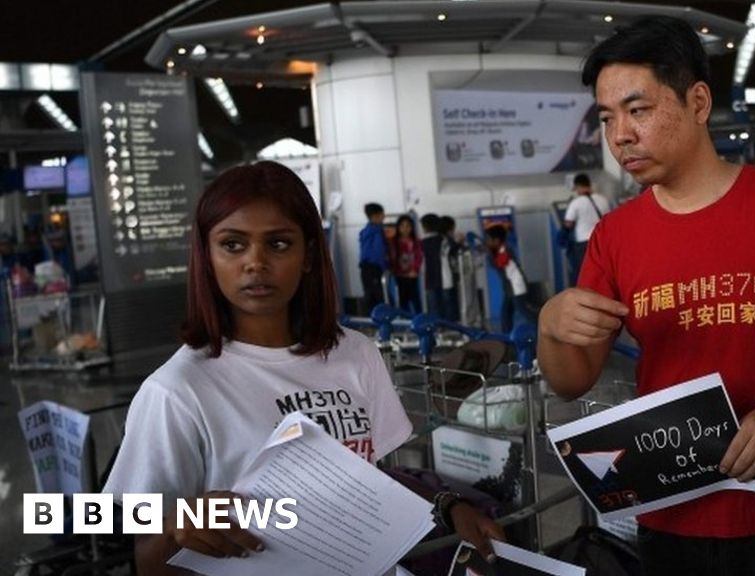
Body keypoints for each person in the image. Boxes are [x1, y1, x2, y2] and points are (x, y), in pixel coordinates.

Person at [538, 16, 755, 575]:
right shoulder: (615, 236)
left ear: (697, 101)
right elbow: (572, 379)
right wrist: (550, 325)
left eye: (638, 110)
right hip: (669, 517)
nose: (620, 134)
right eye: (607, 118)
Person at [102, 162, 503, 575]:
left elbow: (368, 482)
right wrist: (176, 529)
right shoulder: (177, 390)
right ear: (206, 257)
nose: (255, 263)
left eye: (277, 244)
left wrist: (450, 506)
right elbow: (147, 557)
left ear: (309, 255)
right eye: (233, 245)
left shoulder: (356, 354)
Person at [484, 225, 536, 333]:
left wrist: (488, 252)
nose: (487, 242)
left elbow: (498, 263)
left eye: (489, 240)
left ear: (497, 240)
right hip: (509, 287)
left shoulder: (504, 250)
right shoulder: (500, 249)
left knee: (523, 310)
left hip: (516, 286)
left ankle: (541, 327)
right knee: (506, 312)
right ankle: (506, 334)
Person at [563, 173, 612, 287]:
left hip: (583, 243)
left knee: (585, 274)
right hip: (602, 242)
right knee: (602, 273)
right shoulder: (603, 200)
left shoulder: (576, 203)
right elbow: (608, 219)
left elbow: (568, 223)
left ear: (578, 186)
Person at [390, 214, 423, 314]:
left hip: (412, 275)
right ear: (398, 227)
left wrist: (415, 269)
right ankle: (405, 320)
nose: (405, 229)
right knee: (402, 300)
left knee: (415, 299)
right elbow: (391, 258)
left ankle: (418, 320)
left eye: (408, 226)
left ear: (412, 228)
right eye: (402, 226)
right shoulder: (393, 242)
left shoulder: (416, 242)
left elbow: (419, 256)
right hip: (399, 276)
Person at [358, 202, 388, 315]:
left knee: (369, 293)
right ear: (375, 216)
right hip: (374, 268)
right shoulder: (376, 232)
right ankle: (374, 320)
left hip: (365, 268)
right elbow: (378, 252)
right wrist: (385, 266)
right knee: (376, 295)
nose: (384, 216)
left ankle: (368, 320)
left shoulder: (366, 231)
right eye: (382, 214)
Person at [420, 213, 446, 317]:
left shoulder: (422, 243)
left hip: (429, 277)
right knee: (444, 303)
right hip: (444, 277)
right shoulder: (443, 240)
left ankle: (435, 326)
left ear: (424, 227)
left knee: (432, 304)